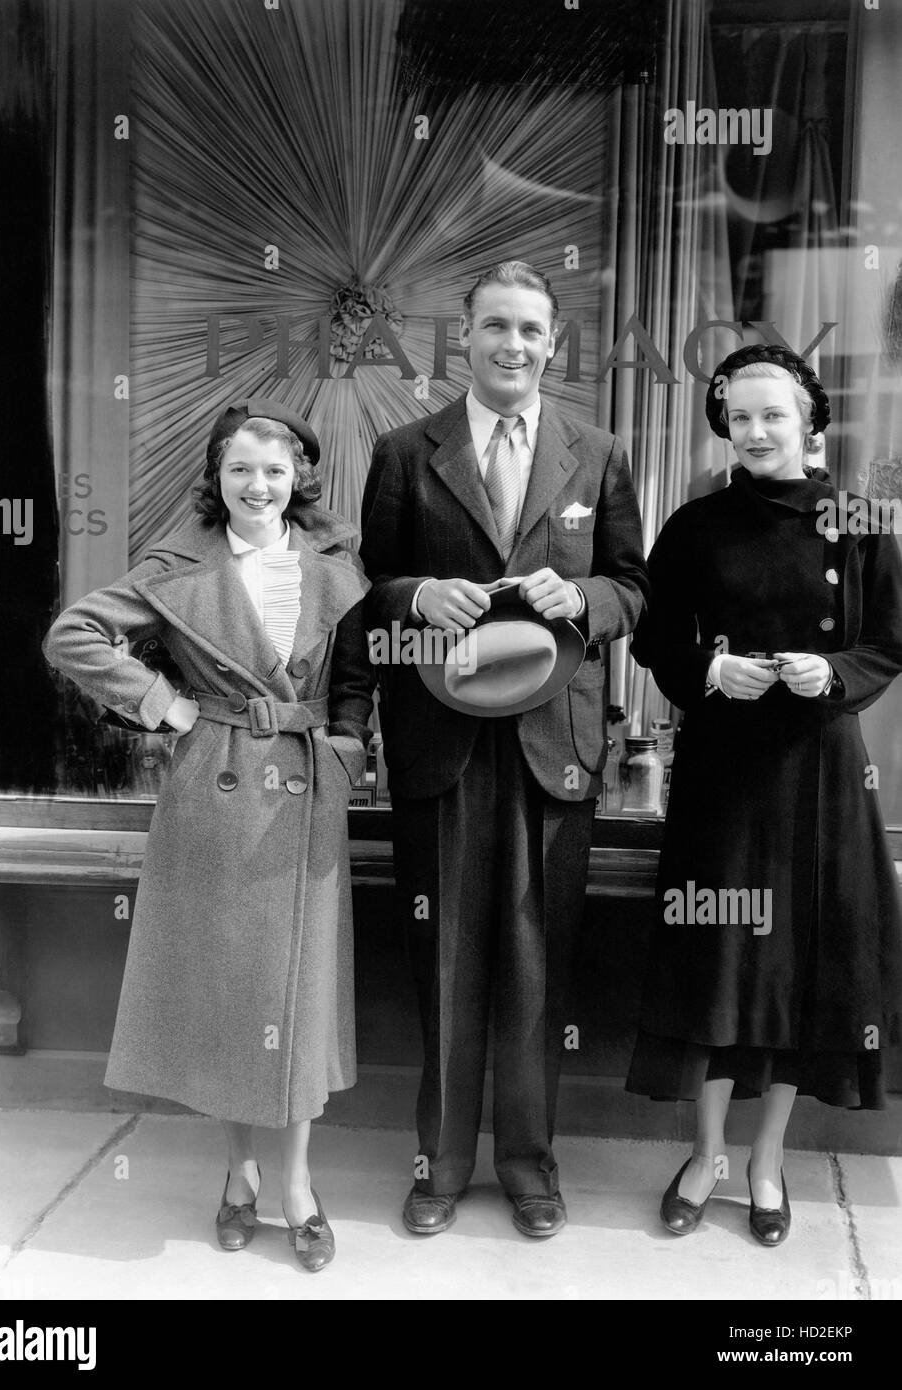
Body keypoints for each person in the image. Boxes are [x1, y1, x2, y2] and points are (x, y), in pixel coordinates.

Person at [43, 399, 375, 1271]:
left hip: (305, 792)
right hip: (219, 790)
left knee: (295, 1001)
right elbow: (72, 634)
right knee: (236, 995)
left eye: (273, 471)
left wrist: (345, 749)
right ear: (216, 480)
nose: (257, 486)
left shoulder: (334, 562)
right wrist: (163, 703)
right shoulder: (177, 565)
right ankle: (238, 1179)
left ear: (298, 478)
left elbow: (354, 677)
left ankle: (297, 1186)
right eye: (239, 470)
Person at [359, 260, 648, 1237]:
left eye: (530, 329)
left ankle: (528, 1165)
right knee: (441, 957)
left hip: (550, 745)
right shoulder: (405, 451)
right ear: (466, 339)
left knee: (536, 967)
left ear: (553, 343)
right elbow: (369, 587)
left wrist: (594, 600)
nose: (512, 345)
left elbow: (635, 586)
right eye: (494, 327)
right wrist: (414, 596)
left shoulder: (597, 452)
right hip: (439, 743)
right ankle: (438, 1165)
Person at [626, 344, 902, 1244]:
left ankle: (765, 1159)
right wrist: (711, 667)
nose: (754, 431)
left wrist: (829, 669)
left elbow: (889, 643)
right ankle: (704, 1154)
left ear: (809, 421)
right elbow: (655, 642)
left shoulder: (859, 518)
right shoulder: (695, 526)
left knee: (799, 969)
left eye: (772, 414)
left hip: (821, 769)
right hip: (723, 773)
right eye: (739, 416)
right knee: (718, 962)